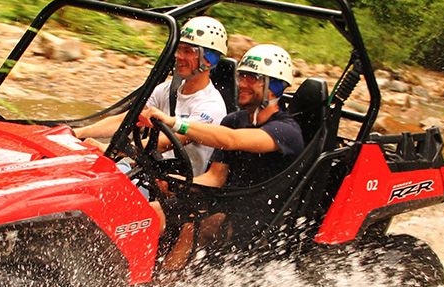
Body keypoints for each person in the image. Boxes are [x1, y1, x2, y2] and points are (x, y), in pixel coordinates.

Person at [73, 15, 229, 174]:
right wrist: (78, 132)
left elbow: (166, 143)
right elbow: (127, 119)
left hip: (175, 187)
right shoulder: (167, 89)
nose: (179, 57)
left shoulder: (211, 107)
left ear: (208, 60)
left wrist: (111, 148)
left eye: (187, 51)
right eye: (179, 49)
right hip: (146, 171)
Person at [138, 43, 304, 189]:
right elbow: (215, 178)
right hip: (225, 203)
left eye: (253, 79)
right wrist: (179, 183)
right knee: (144, 215)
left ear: (273, 88)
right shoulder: (233, 120)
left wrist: (175, 123)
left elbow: (231, 140)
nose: (243, 84)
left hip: (261, 215)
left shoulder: (286, 131)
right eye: (242, 77)